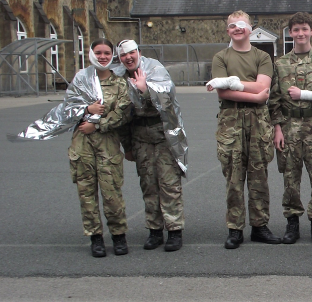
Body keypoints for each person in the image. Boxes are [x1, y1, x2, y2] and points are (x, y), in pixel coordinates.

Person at [14, 38, 132, 257]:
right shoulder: (81, 79)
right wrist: (87, 108)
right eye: (98, 52)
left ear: (112, 55)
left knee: (112, 194)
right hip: (82, 146)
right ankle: (95, 238)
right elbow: (67, 109)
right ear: (91, 53)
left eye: (107, 53)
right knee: (87, 195)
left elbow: (123, 113)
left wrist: (96, 124)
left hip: (107, 146)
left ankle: (118, 236)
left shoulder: (119, 83)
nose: (103, 56)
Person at [207, 11, 277, 249]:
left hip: (258, 121)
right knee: (234, 176)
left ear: (249, 28)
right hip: (231, 118)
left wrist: (232, 82)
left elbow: (263, 86)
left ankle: (259, 226)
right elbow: (222, 92)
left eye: (241, 25)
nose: (237, 29)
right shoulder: (221, 57)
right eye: (232, 26)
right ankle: (235, 228)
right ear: (228, 31)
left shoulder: (262, 56)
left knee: (259, 176)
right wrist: (254, 96)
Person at [270, 12, 312, 244]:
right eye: (296, 30)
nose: (300, 34)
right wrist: (277, 128)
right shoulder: (280, 64)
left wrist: (305, 94)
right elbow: (274, 99)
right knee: (290, 179)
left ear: (311, 31)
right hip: (288, 128)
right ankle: (292, 222)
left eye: (304, 29)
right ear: (290, 33)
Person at [115, 39, 188, 252]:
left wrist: (144, 89)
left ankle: (174, 230)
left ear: (138, 52)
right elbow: (121, 116)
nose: (128, 58)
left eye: (131, 53)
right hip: (139, 135)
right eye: (123, 55)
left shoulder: (154, 68)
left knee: (169, 183)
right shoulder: (119, 77)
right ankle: (155, 230)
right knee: (148, 183)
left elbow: (167, 97)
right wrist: (127, 147)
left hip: (163, 133)